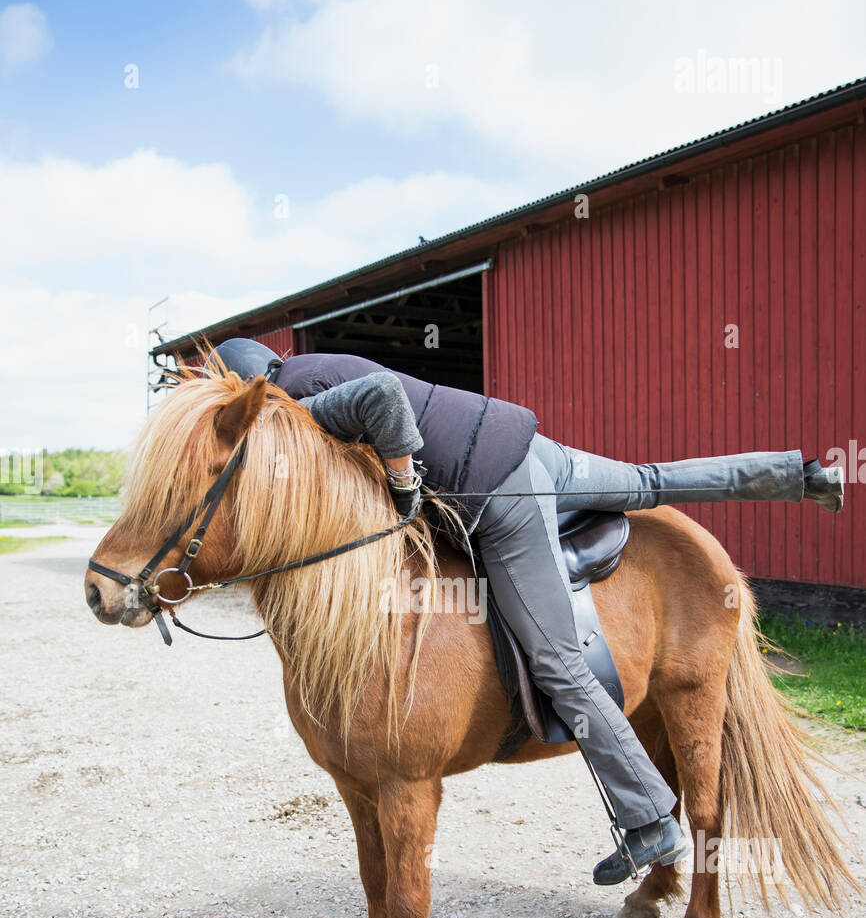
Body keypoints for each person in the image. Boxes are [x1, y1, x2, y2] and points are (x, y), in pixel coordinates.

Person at [205, 338, 844, 885]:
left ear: (251, 383)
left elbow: (384, 399)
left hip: (502, 492)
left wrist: (403, 486)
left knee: (557, 659)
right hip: (530, 447)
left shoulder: (296, 401)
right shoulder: (321, 366)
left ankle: (650, 817)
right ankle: (801, 475)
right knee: (649, 480)